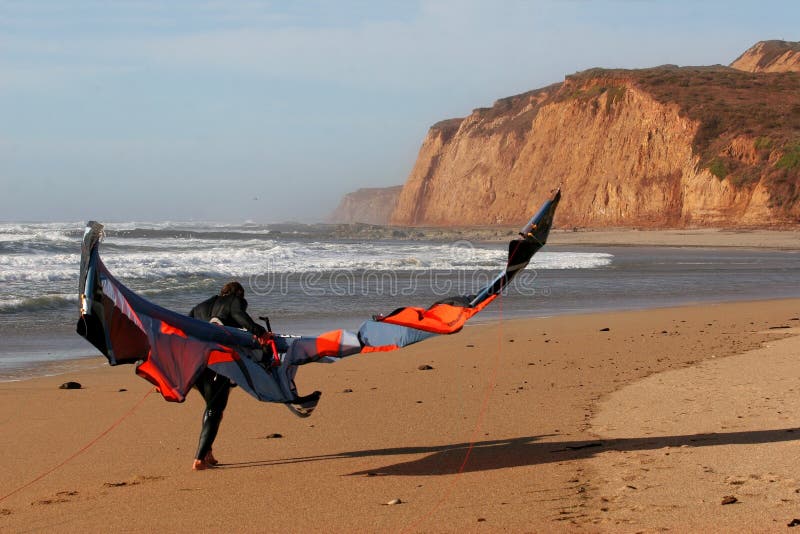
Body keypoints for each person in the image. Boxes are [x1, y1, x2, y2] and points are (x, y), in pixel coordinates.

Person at [188, 281, 267, 471]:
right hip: (219, 364)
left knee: (212, 407)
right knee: (216, 408)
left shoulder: (199, 308)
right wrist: (260, 331)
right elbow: (241, 317)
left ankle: (207, 452)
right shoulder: (234, 301)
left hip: (198, 365)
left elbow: (185, 332)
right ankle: (199, 459)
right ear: (238, 294)